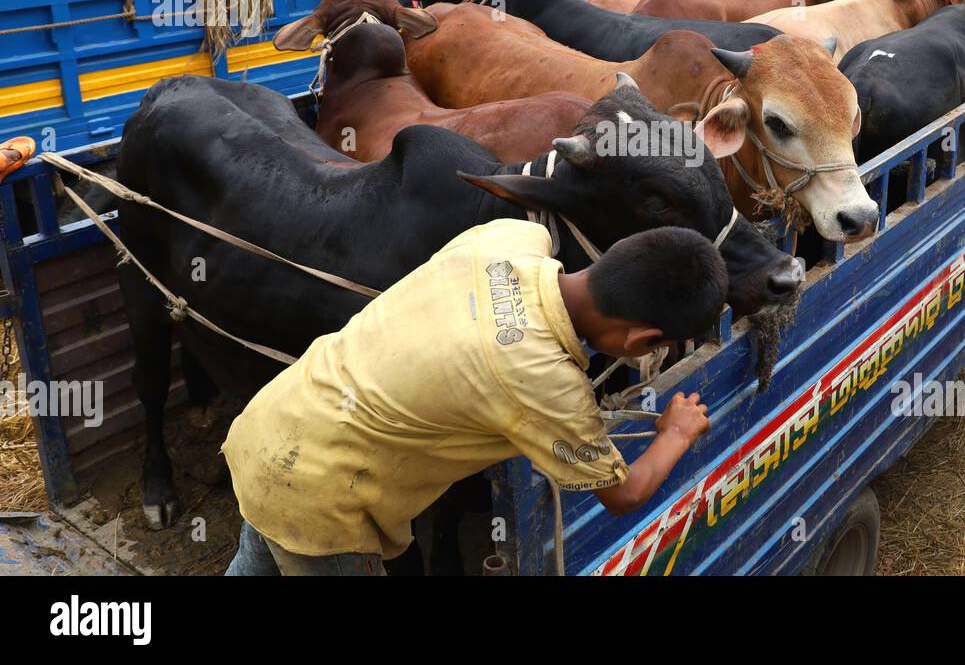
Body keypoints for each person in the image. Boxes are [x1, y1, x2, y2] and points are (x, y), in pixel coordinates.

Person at [223, 220, 724, 576]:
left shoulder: (512, 235)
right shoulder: (544, 382)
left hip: (274, 423)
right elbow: (626, 493)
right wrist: (676, 432)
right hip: (321, 500)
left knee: (254, 566)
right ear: (642, 341)